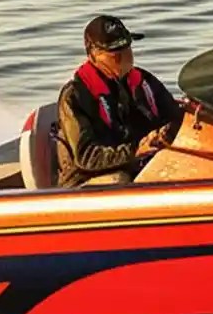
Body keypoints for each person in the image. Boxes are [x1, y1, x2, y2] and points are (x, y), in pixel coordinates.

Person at [55, 15, 184, 187]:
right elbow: (86, 156)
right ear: (93, 55)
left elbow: (175, 117)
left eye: (128, 48)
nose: (126, 57)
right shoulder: (75, 96)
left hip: (144, 164)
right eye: (116, 53)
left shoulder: (143, 81)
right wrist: (136, 150)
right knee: (119, 180)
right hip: (87, 181)